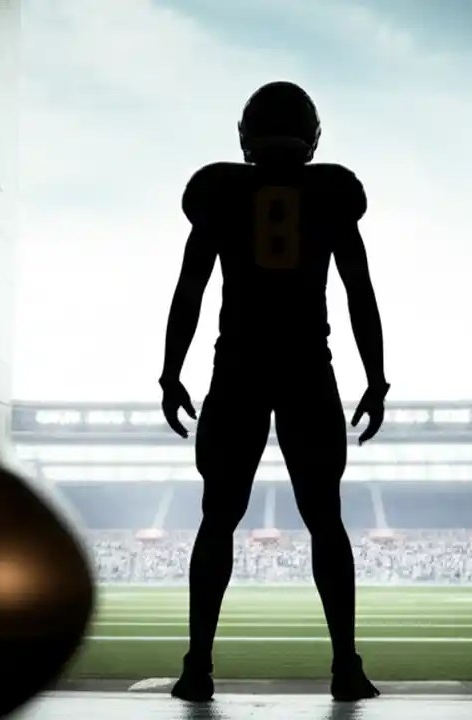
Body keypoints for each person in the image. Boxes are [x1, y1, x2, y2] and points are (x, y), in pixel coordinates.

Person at [158, 80, 388, 702]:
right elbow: (358, 291)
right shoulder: (331, 194)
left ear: (245, 136)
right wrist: (375, 375)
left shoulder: (220, 193)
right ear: (314, 136)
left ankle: (197, 667)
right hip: (308, 366)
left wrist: (170, 369)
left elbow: (191, 288)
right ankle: (345, 667)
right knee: (326, 521)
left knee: (217, 519)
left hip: (237, 366)